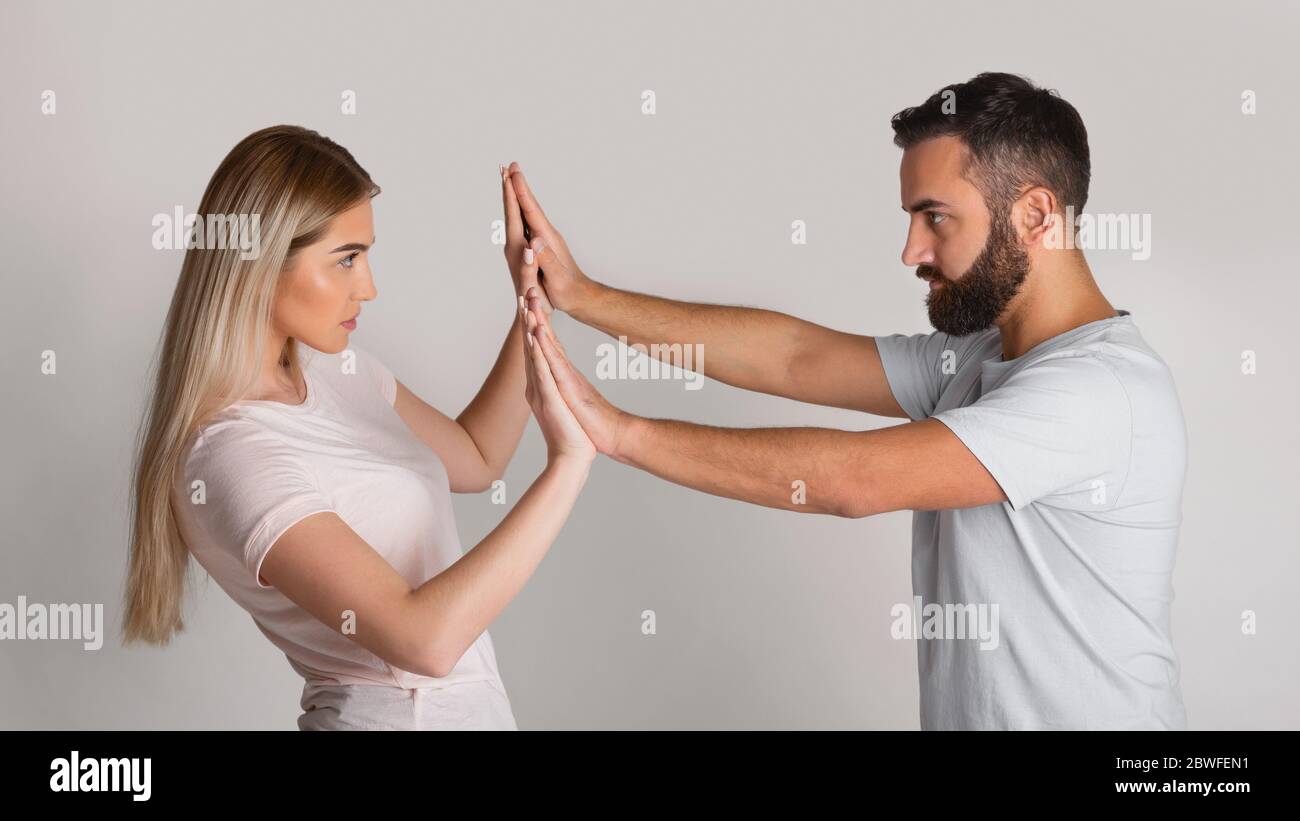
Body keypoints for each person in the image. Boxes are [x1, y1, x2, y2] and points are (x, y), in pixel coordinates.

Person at [515, 72, 1189, 730]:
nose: (911, 250)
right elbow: (794, 356)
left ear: (1036, 214)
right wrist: (582, 295)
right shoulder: (984, 356)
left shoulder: (1099, 389)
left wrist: (618, 432)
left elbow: (850, 480)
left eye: (936, 217)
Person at [123, 125, 595, 730]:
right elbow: (423, 640)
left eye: (366, 255)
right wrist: (570, 466)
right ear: (260, 261)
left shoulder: (343, 374)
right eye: (346, 259)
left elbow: (478, 457)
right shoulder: (229, 457)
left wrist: (532, 301)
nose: (368, 288)